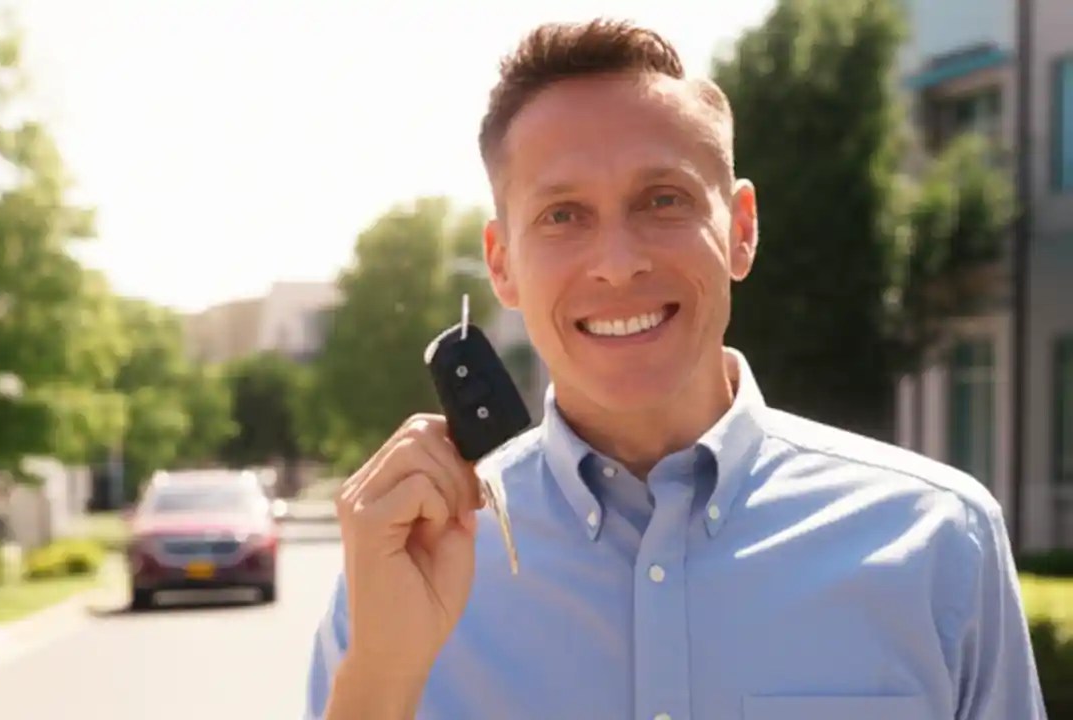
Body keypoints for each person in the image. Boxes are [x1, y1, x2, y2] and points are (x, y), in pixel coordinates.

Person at [303, 18, 1048, 720]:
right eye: (563, 214)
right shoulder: (405, 568)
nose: (620, 263)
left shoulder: (941, 540)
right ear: (501, 265)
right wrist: (381, 680)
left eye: (664, 200)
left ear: (741, 231)